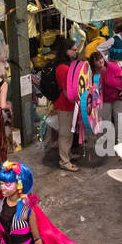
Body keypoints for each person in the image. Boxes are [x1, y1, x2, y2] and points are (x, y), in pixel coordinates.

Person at [51, 38, 80, 172]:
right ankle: (64, 161)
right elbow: (66, 90)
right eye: (73, 50)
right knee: (65, 133)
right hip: (65, 104)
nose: (76, 52)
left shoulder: (67, 65)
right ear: (66, 51)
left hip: (71, 103)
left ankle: (67, 155)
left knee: (69, 132)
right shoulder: (63, 68)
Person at [92, 50, 122, 146]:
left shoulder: (111, 66)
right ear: (93, 63)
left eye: (100, 58)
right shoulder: (92, 73)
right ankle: (108, 138)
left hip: (119, 95)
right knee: (105, 118)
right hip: (105, 97)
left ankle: (121, 141)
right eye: (97, 60)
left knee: (119, 117)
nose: (100, 61)